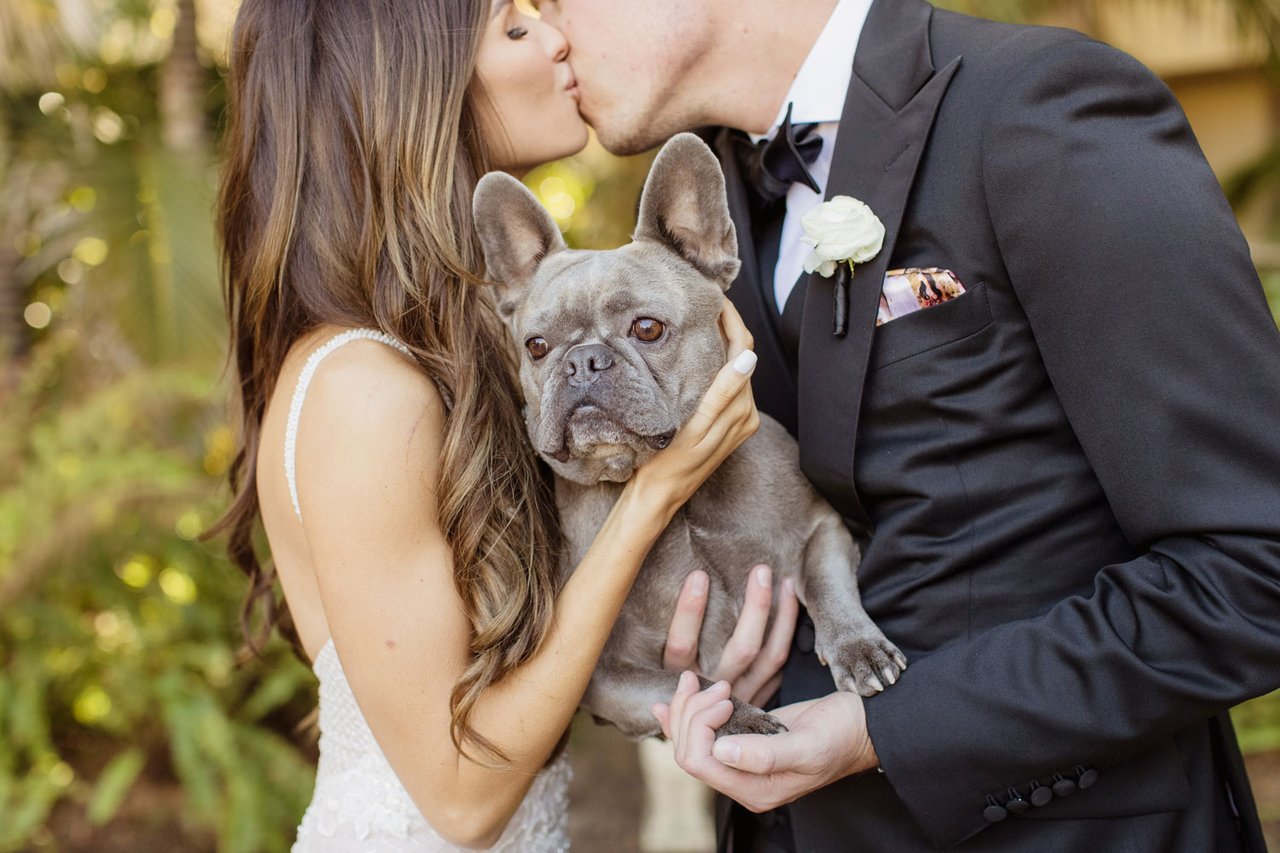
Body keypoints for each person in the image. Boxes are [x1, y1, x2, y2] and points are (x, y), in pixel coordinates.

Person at [535, 0, 1280, 850]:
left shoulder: (1038, 107)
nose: (551, 37)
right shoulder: (703, 202)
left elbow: (1257, 565)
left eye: (553, 2)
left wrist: (885, 730)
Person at [212, 1, 798, 850]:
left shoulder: (453, 347)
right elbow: (462, 795)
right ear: (414, 88)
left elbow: (521, 675)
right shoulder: (365, 388)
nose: (561, 38)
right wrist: (655, 494)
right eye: (518, 28)